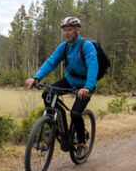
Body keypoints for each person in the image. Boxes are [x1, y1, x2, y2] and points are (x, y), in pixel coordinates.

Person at [24, 16, 99, 150]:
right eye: (65, 30)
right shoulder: (64, 47)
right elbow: (51, 61)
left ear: (77, 30)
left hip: (86, 83)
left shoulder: (86, 46)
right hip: (70, 79)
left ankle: (82, 142)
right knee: (47, 94)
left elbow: (93, 66)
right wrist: (36, 78)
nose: (66, 33)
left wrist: (88, 87)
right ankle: (59, 128)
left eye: (69, 30)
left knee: (76, 113)